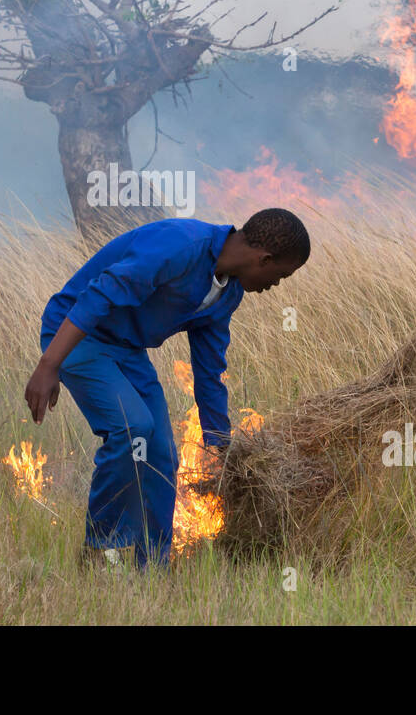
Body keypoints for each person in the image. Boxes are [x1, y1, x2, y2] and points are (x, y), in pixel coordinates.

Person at [24, 209, 310, 568]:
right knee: (133, 429)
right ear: (264, 258)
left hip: (126, 349)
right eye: (281, 275)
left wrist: (221, 447)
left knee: (160, 453)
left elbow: (209, 372)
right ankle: (99, 550)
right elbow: (101, 294)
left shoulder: (227, 294)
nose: (276, 285)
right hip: (77, 334)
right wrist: (49, 363)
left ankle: (153, 568)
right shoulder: (181, 246)